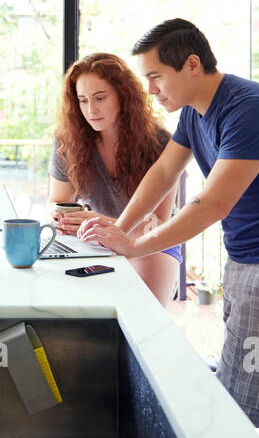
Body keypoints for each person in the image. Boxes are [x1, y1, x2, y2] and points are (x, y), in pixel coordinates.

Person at [78, 19, 259, 438]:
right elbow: (162, 172)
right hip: (254, 264)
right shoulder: (197, 112)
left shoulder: (248, 108)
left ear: (191, 64)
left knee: (243, 404)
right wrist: (122, 230)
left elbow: (213, 204)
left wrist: (134, 246)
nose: (149, 90)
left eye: (155, 76)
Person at [47, 53, 182, 305]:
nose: (91, 110)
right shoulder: (68, 143)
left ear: (123, 95)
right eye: (83, 100)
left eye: (100, 98)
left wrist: (100, 222)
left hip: (151, 242)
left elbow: (159, 223)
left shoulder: (159, 142)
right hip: (94, 240)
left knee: (144, 313)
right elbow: (57, 201)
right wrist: (59, 217)